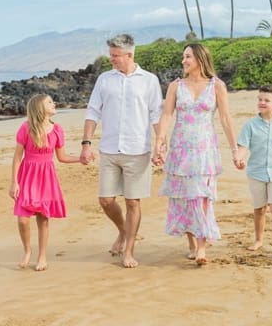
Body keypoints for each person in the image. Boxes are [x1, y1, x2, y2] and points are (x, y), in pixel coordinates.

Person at [79, 34, 163, 268]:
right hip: (109, 149)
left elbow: (156, 114)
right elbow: (93, 111)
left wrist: (160, 143)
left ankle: (129, 250)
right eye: (111, 55)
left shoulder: (149, 80)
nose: (112, 60)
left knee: (133, 202)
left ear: (129, 55)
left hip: (138, 150)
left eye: (115, 56)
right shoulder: (105, 80)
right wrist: (86, 144)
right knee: (106, 200)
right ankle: (123, 230)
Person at [153, 43, 237, 266]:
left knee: (202, 197)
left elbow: (226, 119)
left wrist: (235, 149)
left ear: (200, 59)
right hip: (180, 150)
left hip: (205, 151)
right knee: (183, 198)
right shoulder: (175, 86)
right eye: (183, 57)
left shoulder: (216, 85)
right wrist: (159, 141)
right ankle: (192, 242)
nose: (183, 61)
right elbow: (167, 115)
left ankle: (201, 247)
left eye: (187, 57)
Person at [9, 94, 80, 271]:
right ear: (39, 108)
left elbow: (62, 157)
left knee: (43, 218)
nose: (54, 103)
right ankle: (27, 251)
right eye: (49, 102)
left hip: (47, 177)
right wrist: (14, 182)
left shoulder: (57, 130)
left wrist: (81, 159)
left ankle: (42, 256)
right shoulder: (26, 128)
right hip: (27, 175)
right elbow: (17, 157)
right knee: (23, 219)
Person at [234, 85, 272, 260]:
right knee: (259, 209)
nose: (262, 102)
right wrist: (238, 158)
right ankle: (259, 240)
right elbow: (243, 146)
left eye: (266, 100)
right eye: (260, 99)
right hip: (256, 172)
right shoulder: (250, 125)